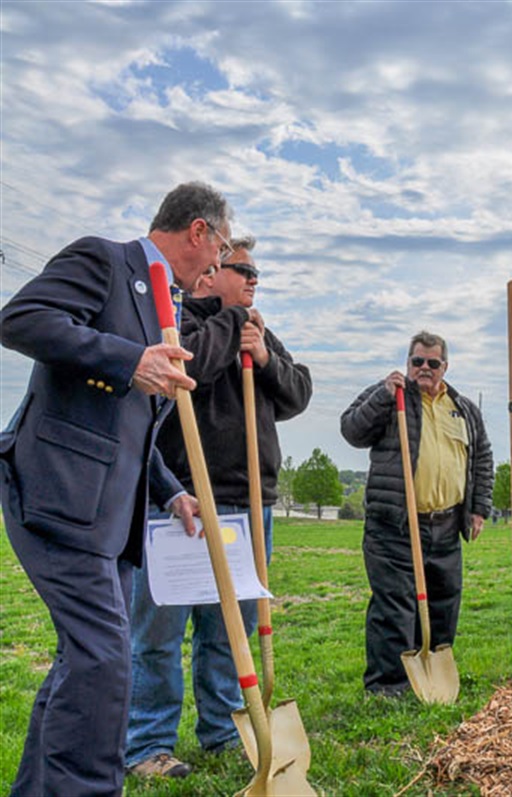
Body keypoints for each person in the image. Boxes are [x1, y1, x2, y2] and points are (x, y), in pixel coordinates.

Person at [0, 182, 231, 796]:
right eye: (222, 247)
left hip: (109, 518)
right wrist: (129, 360)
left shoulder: (168, 307)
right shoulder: (104, 260)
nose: (220, 264)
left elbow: (131, 431)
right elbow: (20, 319)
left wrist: (169, 491)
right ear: (198, 230)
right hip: (58, 496)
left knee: (84, 660)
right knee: (104, 661)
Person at [124, 237, 312, 778]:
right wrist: (229, 330)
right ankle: (147, 744)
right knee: (158, 632)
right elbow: (188, 371)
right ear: (210, 273)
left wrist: (265, 357)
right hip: (181, 502)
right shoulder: (180, 323)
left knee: (229, 631)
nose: (253, 281)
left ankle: (221, 731)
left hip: (248, 503)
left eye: (257, 273)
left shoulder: (255, 329)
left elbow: (298, 394)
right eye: (243, 270)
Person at [340, 331, 493, 696]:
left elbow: (483, 458)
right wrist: (381, 394)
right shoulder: (390, 395)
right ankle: (388, 685)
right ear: (408, 363)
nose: (424, 368)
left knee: (444, 601)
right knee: (395, 606)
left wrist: (479, 509)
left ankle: (434, 674)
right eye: (417, 361)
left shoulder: (464, 408)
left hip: (445, 524)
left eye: (432, 363)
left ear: (445, 367)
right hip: (394, 524)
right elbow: (352, 430)